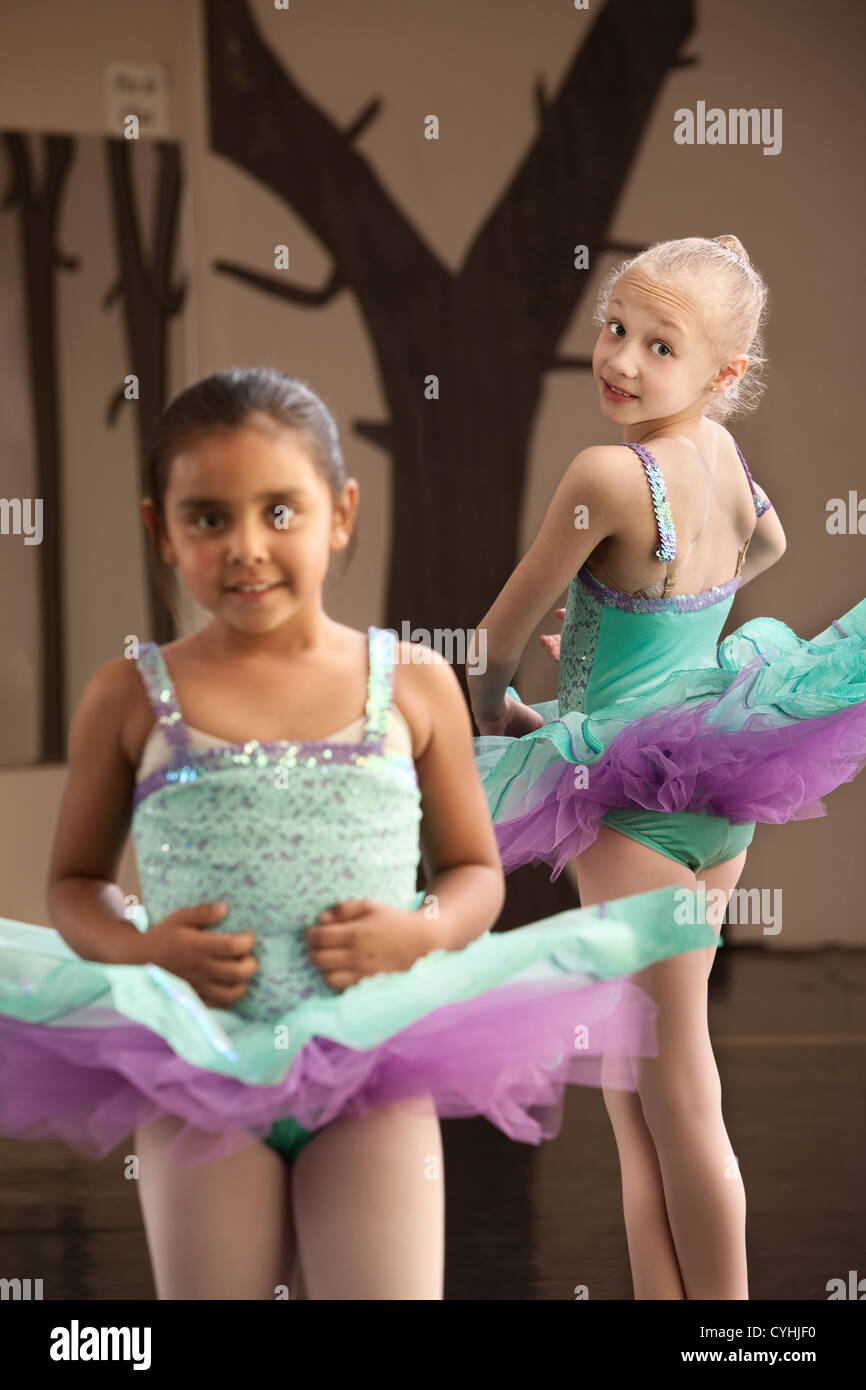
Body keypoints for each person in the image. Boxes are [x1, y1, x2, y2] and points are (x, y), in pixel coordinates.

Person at [0, 367, 718, 1301]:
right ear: (160, 530)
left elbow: (472, 874)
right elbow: (72, 887)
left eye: (281, 512)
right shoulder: (130, 695)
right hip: (200, 1064)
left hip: (372, 1061)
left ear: (340, 513)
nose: (248, 546)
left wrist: (417, 934)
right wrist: (144, 947)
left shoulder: (410, 683)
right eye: (209, 518)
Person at [468, 234, 866, 1301]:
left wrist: (509, 715)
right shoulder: (721, 460)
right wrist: (649, 635)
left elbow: (494, 636)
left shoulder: (608, 472)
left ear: (722, 376)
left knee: (677, 1091)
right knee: (638, 1095)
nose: (623, 361)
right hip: (714, 786)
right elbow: (760, 552)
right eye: (613, 330)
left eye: (658, 345)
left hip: (624, 803)